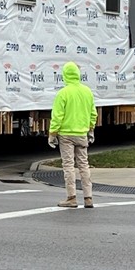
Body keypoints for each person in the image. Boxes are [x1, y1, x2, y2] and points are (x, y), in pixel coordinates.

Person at [48, 61, 96, 208]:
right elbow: (93, 113)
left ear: (65, 75)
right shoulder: (87, 91)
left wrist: (52, 134)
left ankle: (71, 197)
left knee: (68, 165)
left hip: (66, 135)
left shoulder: (63, 93)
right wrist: (91, 129)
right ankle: (88, 198)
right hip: (82, 133)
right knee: (84, 165)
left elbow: (57, 117)